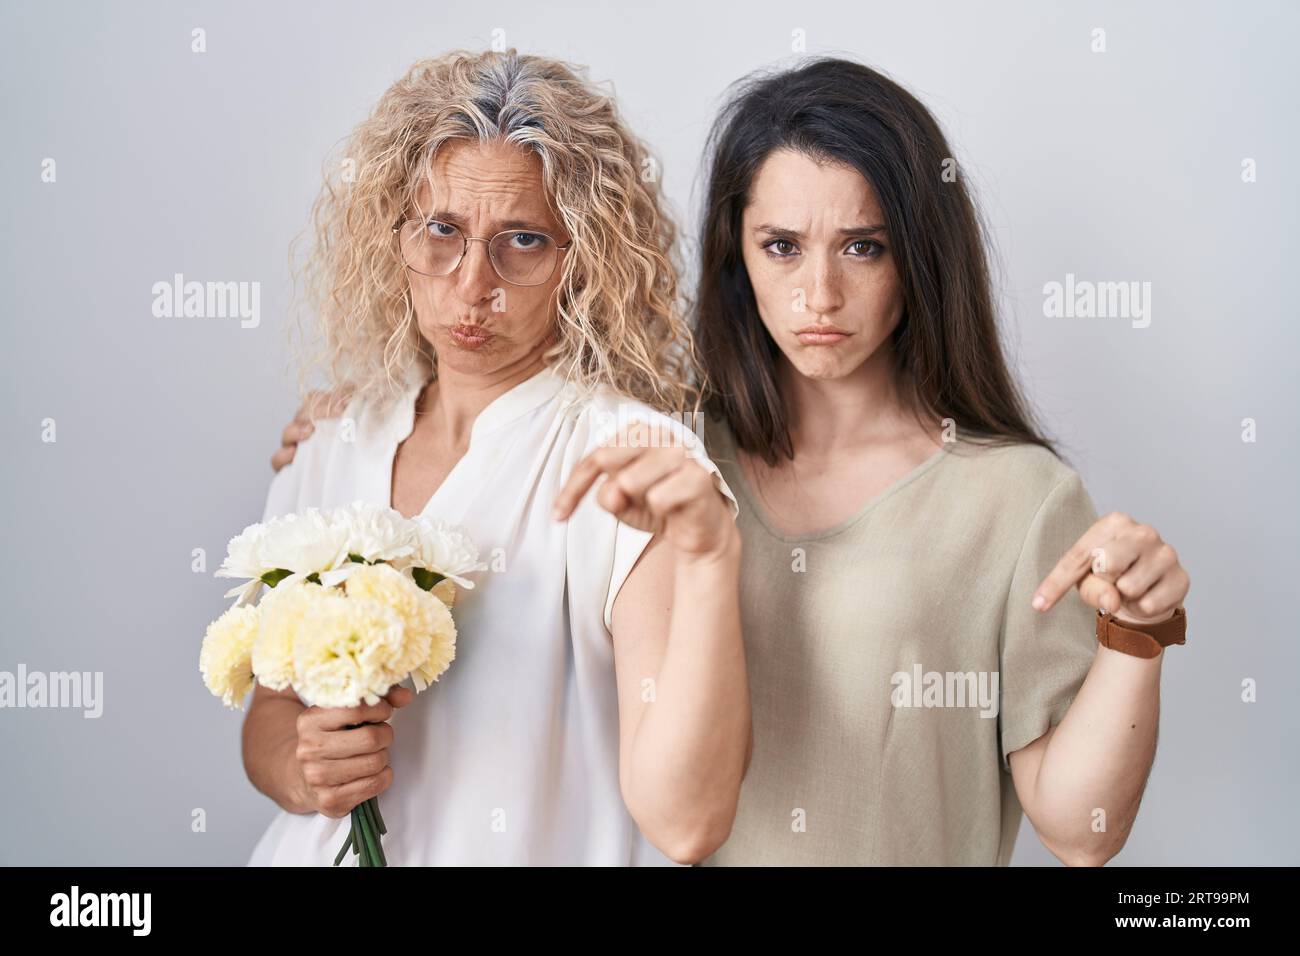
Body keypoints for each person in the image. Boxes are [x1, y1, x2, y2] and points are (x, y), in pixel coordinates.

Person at [274, 56, 1192, 866]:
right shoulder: (665, 455)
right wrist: (351, 436)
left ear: (921, 261)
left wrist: (1136, 635)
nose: (818, 292)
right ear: (737, 255)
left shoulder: (1016, 500)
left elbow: (1082, 830)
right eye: (781, 246)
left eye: (864, 247)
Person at [243, 49, 750, 867]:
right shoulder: (331, 442)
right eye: (442, 231)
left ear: (581, 257)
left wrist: (709, 555)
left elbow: (687, 824)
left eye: (522, 241)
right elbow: (268, 714)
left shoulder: (633, 466)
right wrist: (305, 768)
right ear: (394, 234)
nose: (474, 282)